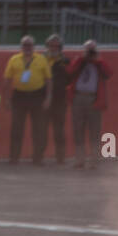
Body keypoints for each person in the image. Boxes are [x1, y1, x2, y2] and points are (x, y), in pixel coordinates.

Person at [3, 34, 51, 166]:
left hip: (37, 96)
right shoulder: (14, 59)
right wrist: (7, 99)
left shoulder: (41, 59)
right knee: (16, 128)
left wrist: (48, 98)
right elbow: (7, 80)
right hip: (19, 97)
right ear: (21, 46)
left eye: (30, 45)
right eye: (25, 45)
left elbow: (48, 80)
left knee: (38, 129)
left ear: (34, 47)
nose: (27, 47)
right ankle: (14, 158)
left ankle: (38, 158)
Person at [68, 40, 112, 170]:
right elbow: (70, 71)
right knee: (78, 129)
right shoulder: (79, 61)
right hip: (78, 97)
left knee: (95, 130)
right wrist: (82, 59)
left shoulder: (99, 63)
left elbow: (109, 73)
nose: (90, 52)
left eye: (92, 49)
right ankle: (79, 159)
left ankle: (94, 160)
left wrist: (97, 60)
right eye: (88, 50)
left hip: (94, 99)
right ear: (83, 50)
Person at [44, 34, 71, 166]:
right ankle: (38, 157)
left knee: (59, 130)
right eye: (51, 45)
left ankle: (60, 157)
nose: (54, 47)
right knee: (41, 129)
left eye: (56, 45)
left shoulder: (66, 61)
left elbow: (70, 79)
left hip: (60, 100)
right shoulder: (41, 59)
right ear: (47, 46)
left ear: (60, 47)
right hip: (43, 100)